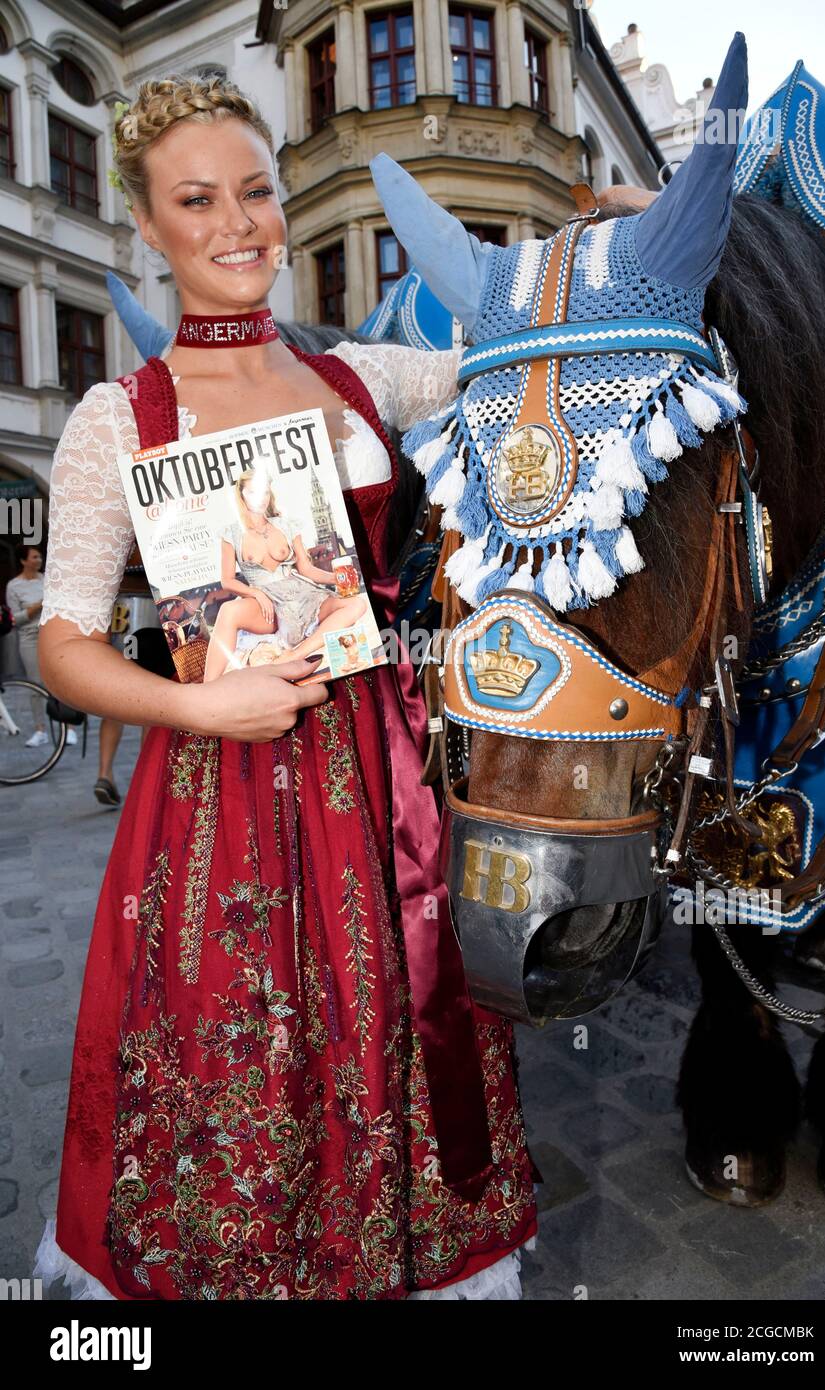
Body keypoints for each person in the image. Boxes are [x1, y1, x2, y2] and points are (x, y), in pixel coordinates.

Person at [33, 73, 538, 1302]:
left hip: (381, 775)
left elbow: (517, 351)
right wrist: (199, 705)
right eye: (197, 200)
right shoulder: (118, 417)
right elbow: (65, 644)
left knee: (395, 1025)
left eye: (256, 191)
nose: (239, 223)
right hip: (214, 792)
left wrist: (607, 229)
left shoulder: (369, 379)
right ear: (148, 228)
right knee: (234, 1043)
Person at [203, 469, 365, 681]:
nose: (260, 499)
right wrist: (257, 594)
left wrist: (336, 578)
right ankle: (208, 688)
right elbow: (227, 580)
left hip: (303, 594)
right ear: (241, 495)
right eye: (252, 492)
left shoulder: (286, 525)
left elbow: (306, 569)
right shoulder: (231, 533)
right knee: (228, 610)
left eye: (264, 493)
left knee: (357, 604)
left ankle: (296, 654)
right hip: (266, 601)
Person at [6, 544, 77, 747]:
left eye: (40, 557)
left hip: (53, 635)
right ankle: (40, 730)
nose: (39, 560)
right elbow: (14, 619)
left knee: (62, 681)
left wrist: (32, 608)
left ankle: (69, 728)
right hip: (29, 639)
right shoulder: (14, 586)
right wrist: (39, 605)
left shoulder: (49, 580)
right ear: (23, 561)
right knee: (35, 686)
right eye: (35, 557)